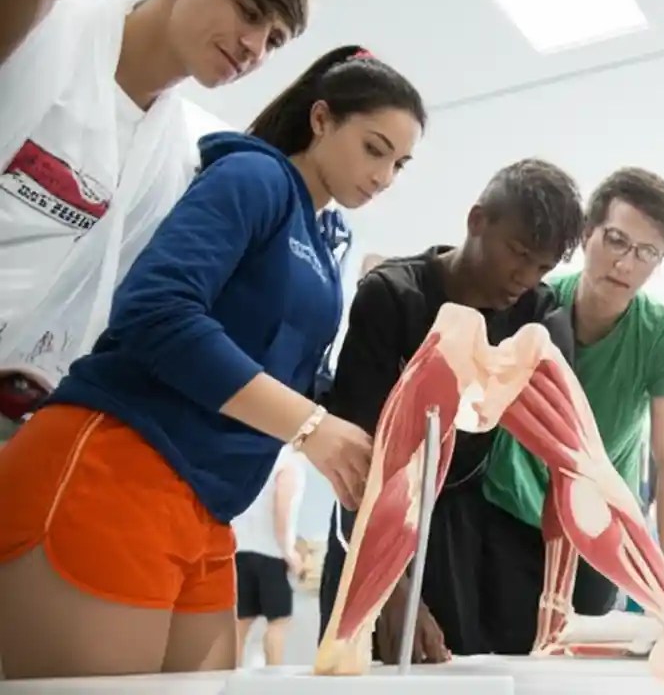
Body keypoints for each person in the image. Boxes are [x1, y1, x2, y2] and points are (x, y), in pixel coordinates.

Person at [0, 45, 426, 680]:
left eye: (401, 163)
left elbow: (287, 378)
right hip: (120, 465)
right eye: (374, 148)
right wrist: (310, 427)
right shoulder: (253, 180)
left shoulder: (320, 240)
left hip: (208, 508)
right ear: (320, 120)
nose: (385, 175)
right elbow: (155, 313)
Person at [0, 0, 309, 443]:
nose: (255, 48)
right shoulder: (40, 32)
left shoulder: (172, 164)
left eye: (275, 40)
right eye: (248, 12)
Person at [316, 158, 586, 662]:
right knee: (358, 666)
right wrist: (390, 584)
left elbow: (565, 449)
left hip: (463, 520)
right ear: (478, 220)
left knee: (455, 665)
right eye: (519, 253)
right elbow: (358, 454)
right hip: (373, 509)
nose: (525, 277)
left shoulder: (539, 313)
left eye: (543, 266)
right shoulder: (393, 296)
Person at [482, 167, 664, 651]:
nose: (626, 263)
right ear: (587, 235)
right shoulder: (532, 304)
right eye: (617, 241)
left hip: (598, 527)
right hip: (510, 509)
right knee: (507, 658)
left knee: (581, 666)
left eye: (647, 253)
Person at [231, 446, 307, 666]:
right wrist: (290, 552)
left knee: (241, 620)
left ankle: (228, 674)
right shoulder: (289, 461)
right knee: (278, 622)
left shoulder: (255, 455)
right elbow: (281, 508)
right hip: (271, 552)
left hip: (239, 548)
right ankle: (274, 676)